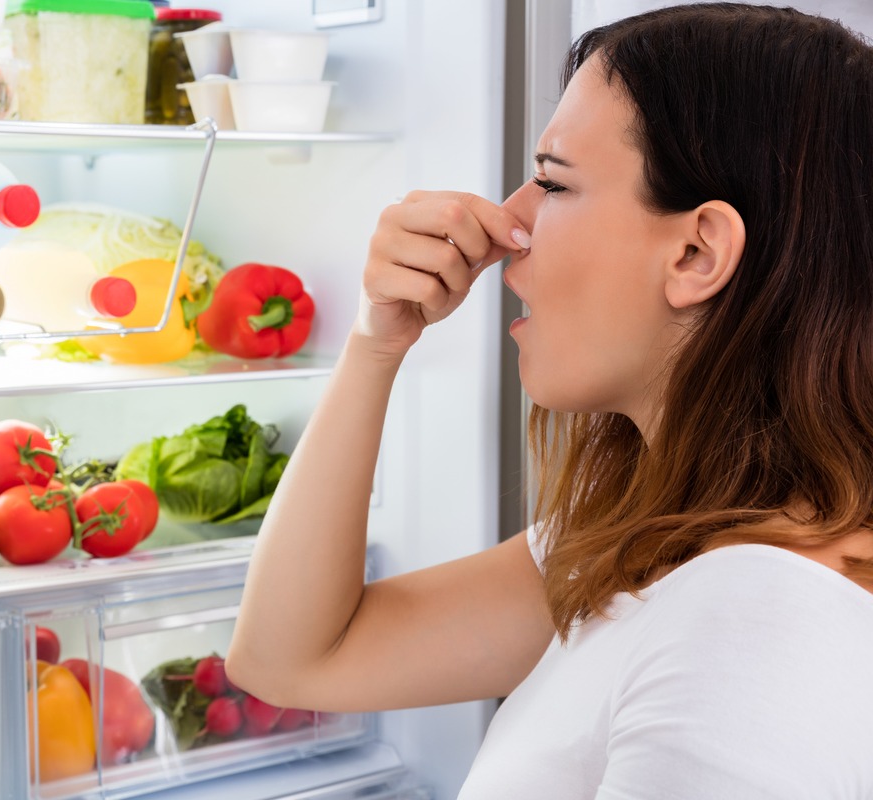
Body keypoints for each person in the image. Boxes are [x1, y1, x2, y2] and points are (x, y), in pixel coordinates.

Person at [225, 4, 873, 798]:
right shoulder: (651, 533)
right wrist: (375, 345)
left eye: (553, 182)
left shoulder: (752, 619)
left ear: (697, 252)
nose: (505, 228)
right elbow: (290, 660)